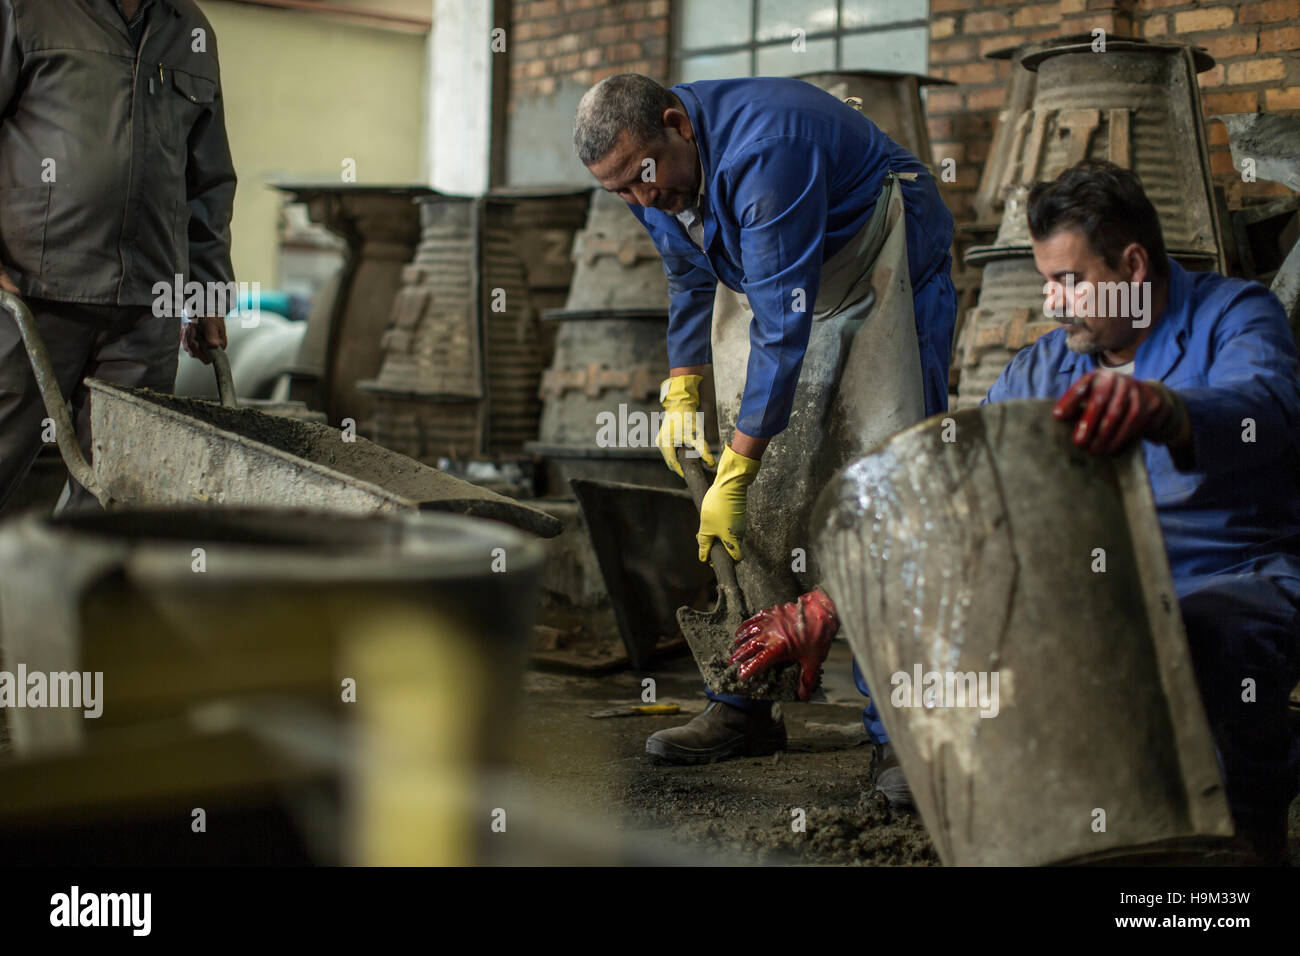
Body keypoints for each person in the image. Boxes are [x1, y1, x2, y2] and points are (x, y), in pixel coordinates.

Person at [739, 159, 1300, 863]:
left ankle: (1243, 839)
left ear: (1132, 266)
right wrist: (833, 600)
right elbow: (961, 495)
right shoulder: (1041, 369)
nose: (1054, 304)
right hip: (1082, 584)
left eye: (1070, 281)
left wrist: (1165, 409)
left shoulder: (1235, 316)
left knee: (1206, 638)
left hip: (1223, 573)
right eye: (1046, 282)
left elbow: (1266, 413)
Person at [573, 73, 956, 786]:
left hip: (880, 258)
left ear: (677, 124)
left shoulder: (767, 153)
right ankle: (745, 699)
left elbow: (783, 331)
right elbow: (690, 278)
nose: (639, 200)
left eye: (641, 179)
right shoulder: (652, 170)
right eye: (618, 190)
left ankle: (902, 730)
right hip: (783, 275)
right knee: (752, 487)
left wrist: (740, 469)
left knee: (892, 476)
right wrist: (684, 382)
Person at [0, 0, 235, 512]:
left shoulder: (189, 28)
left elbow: (208, 180)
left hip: (147, 311)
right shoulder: (28, 10)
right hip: (30, 294)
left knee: (120, 496)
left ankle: (81, 591)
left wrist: (209, 291)